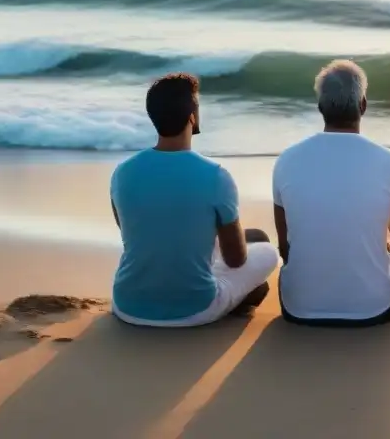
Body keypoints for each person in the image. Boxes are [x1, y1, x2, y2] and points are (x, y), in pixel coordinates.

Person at [110, 73, 279, 327]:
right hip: (193, 310)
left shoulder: (122, 172)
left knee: (252, 235)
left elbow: (136, 235)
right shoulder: (216, 176)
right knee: (266, 250)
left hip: (128, 306)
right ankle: (235, 298)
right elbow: (236, 260)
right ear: (192, 116)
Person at [272, 59, 390, 326]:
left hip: (298, 308)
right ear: (363, 105)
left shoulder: (287, 160)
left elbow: (285, 248)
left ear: (320, 107)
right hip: (375, 310)